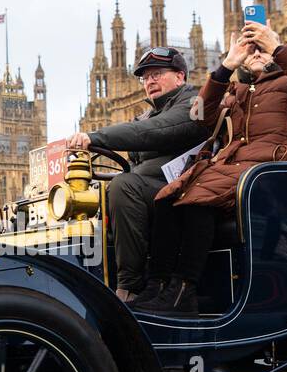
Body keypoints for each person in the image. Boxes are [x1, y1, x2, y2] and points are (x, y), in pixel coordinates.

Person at [133, 20, 287, 316]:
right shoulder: (236, 92)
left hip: (271, 175)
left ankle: (183, 292)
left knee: (200, 200)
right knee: (166, 198)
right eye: (250, 52)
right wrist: (225, 67)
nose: (256, 55)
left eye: (261, 51)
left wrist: (276, 45)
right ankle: (159, 286)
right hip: (234, 171)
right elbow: (199, 116)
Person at [65, 47, 208, 302]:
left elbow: (153, 131)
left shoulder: (194, 103)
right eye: (145, 77)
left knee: (124, 186)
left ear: (180, 76)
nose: (150, 81)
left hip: (184, 194)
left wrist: (94, 137)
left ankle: (129, 289)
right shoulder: (148, 113)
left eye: (157, 74)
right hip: (156, 193)